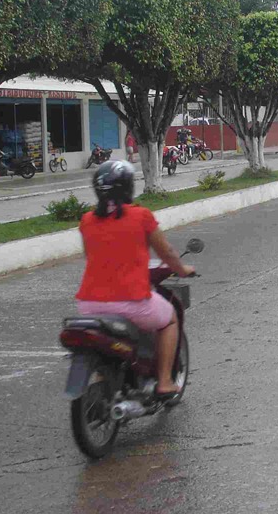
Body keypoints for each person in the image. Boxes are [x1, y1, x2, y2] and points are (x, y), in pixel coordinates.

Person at [74, 161, 196, 398]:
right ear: (129, 187)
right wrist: (182, 269)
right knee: (170, 318)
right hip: (130, 302)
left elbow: (91, 256)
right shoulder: (141, 216)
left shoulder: (87, 220)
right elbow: (167, 253)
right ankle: (164, 383)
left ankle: (107, 378)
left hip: (89, 305)